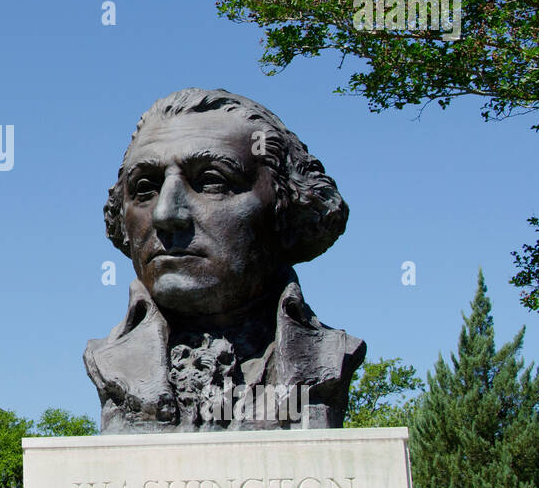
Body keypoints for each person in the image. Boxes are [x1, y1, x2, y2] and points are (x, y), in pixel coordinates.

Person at [85, 88, 365, 432]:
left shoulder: (328, 359)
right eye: (145, 187)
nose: (165, 214)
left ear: (287, 207)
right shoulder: (108, 364)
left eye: (211, 181)